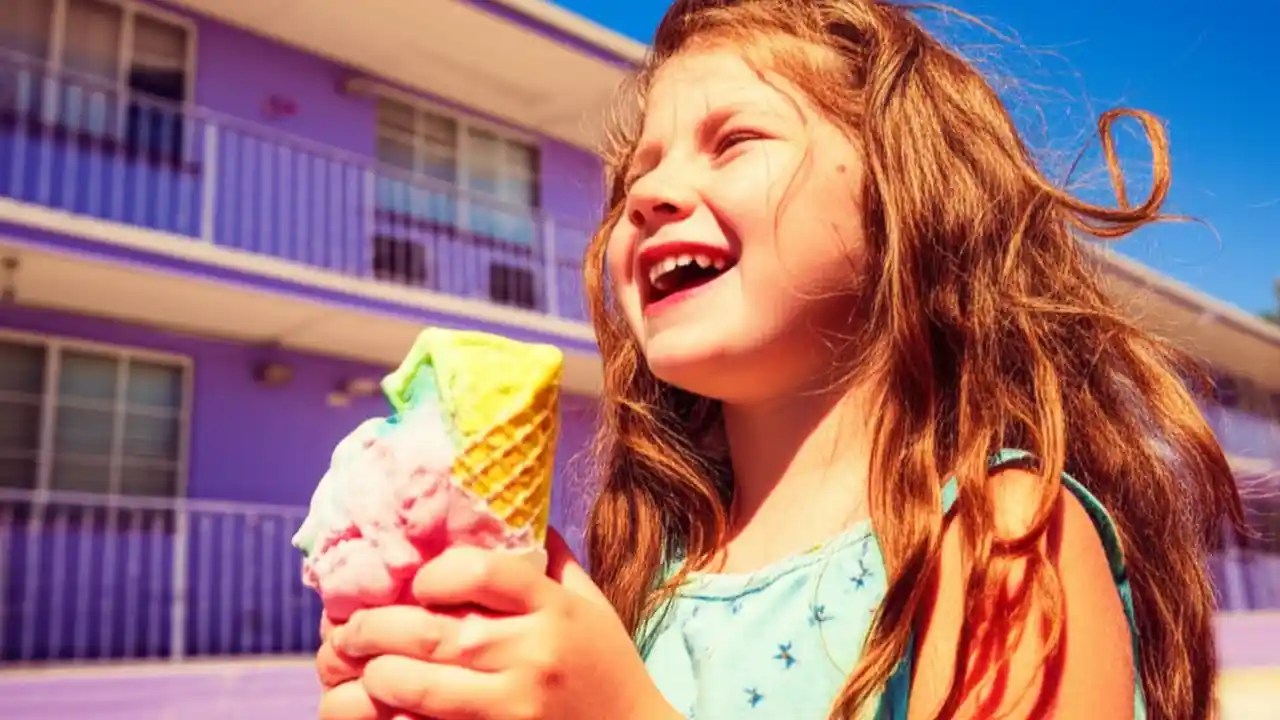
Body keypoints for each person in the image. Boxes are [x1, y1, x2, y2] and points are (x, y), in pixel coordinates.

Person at [312, 1, 1245, 718]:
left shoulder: (1003, 536)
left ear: (906, 204)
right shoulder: (654, 571)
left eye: (735, 141)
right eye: (638, 175)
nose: (651, 196)